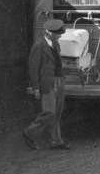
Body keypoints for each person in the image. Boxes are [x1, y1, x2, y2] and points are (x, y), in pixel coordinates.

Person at [23, 18, 69, 150]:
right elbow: (33, 68)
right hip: (47, 83)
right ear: (48, 32)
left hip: (59, 81)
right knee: (49, 113)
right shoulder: (39, 46)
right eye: (58, 33)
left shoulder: (55, 44)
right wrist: (36, 88)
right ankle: (29, 132)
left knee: (57, 112)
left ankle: (56, 141)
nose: (60, 36)